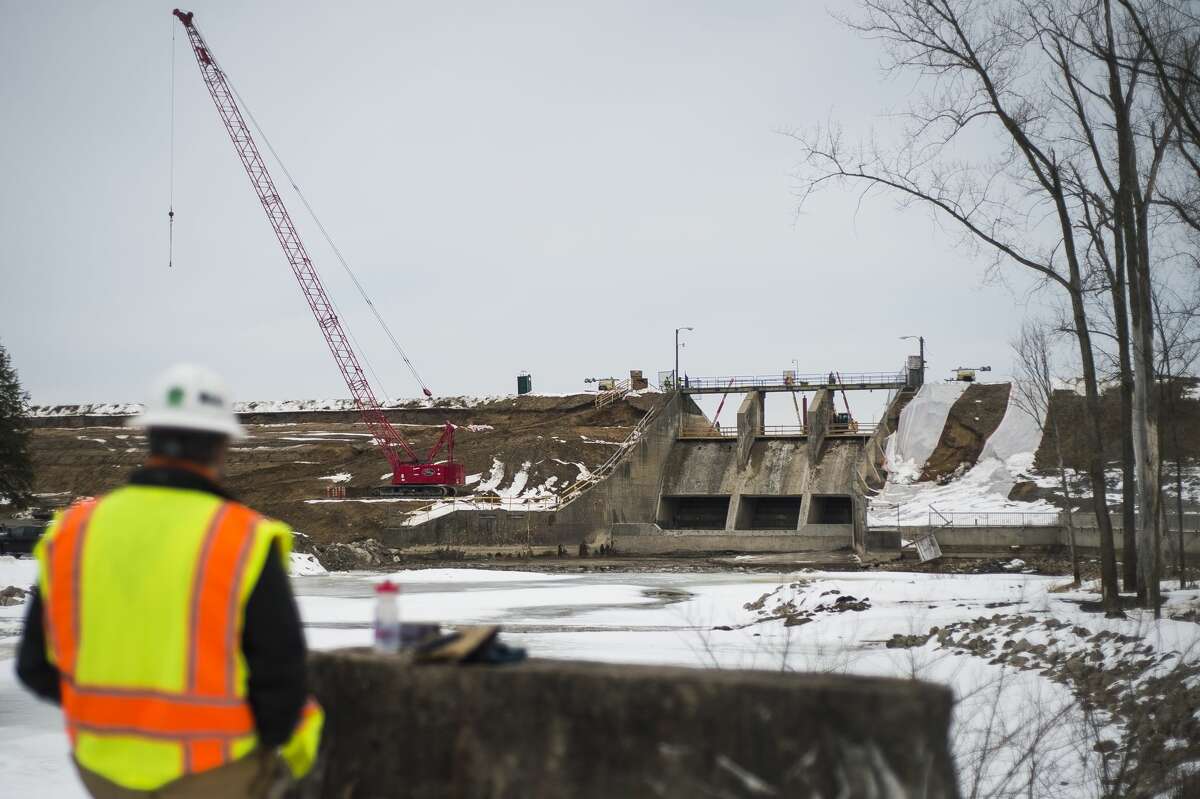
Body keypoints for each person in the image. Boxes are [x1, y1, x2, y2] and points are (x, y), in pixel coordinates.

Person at [16, 364, 322, 798]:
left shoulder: (74, 530)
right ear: (221, 445)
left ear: (150, 436)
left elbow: (34, 665)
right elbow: (281, 676)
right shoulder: (242, 537)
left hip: (103, 767)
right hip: (215, 771)